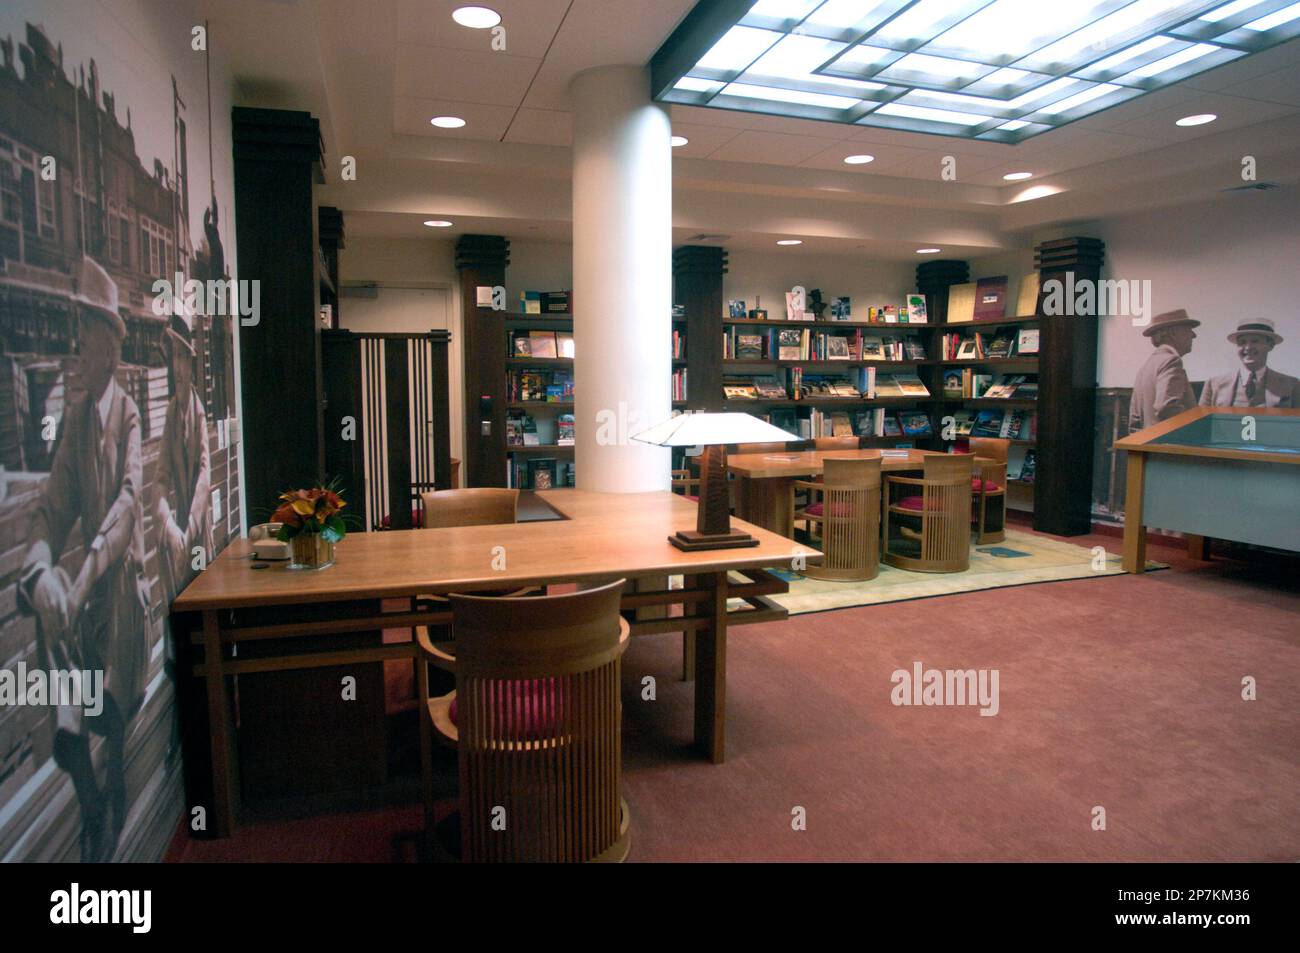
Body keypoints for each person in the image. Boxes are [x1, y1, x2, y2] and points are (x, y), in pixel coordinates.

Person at [18, 255, 150, 862]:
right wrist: (44, 568)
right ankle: (87, 787)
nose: (78, 347)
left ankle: (113, 808)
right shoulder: (74, 419)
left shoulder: (127, 412)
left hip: (117, 587)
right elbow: (51, 506)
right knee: (73, 715)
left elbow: (127, 502)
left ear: (109, 345)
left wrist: (89, 568)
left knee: (117, 721)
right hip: (83, 595)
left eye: (87, 333)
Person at [155, 305, 213, 601]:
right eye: (172, 356)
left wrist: (188, 529)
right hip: (178, 526)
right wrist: (166, 521)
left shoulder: (198, 412)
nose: (176, 367)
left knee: (201, 594)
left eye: (181, 357)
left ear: (190, 364)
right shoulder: (170, 412)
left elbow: (204, 475)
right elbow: (161, 477)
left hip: (196, 528)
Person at [1199, 318, 1299, 408]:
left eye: (1255, 341)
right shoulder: (1213, 385)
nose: (1248, 347)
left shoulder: (1292, 385)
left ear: (1271, 345)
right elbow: (1202, 424)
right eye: (1242, 342)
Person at [1129, 308, 1198, 434]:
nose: (1193, 335)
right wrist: (1195, 430)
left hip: (1150, 449)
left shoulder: (1145, 368)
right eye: (1188, 329)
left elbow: (1135, 421)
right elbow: (1167, 407)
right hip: (1171, 450)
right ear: (1173, 332)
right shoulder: (1171, 361)